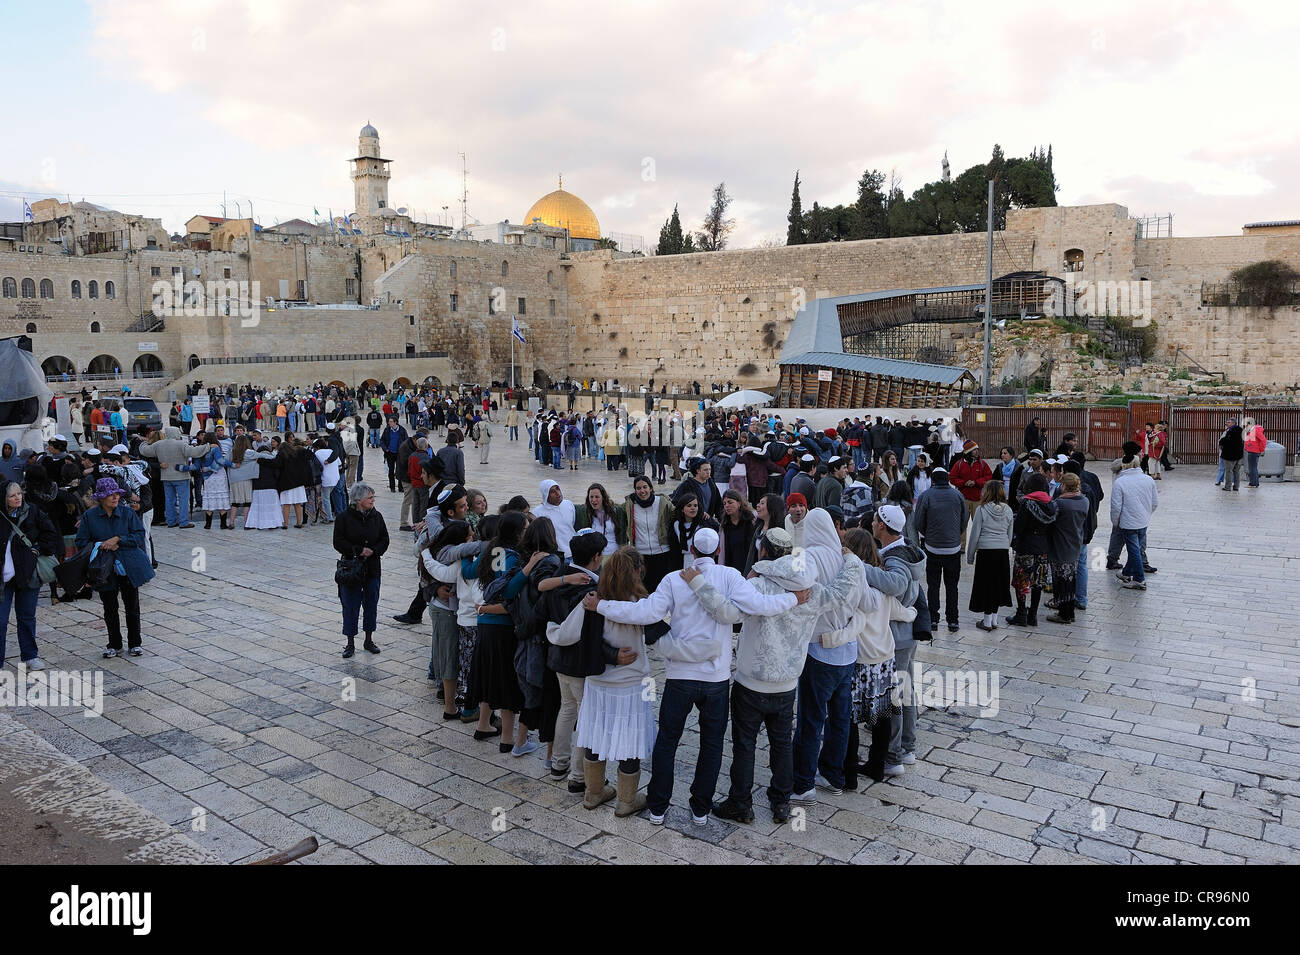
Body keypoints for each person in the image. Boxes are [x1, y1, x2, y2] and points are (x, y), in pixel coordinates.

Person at [585, 526, 804, 825]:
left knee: (668, 741)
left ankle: (659, 808)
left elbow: (645, 614)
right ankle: (700, 809)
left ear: (691, 548)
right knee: (711, 745)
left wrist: (601, 606)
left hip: (680, 677)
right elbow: (761, 606)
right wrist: (794, 599)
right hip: (715, 680)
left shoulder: (674, 579)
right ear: (717, 551)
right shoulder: (730, 577)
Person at [690, 526, 861, 822]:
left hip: (750, 681)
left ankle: (740, 802)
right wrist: (852, 559)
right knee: (782, 745)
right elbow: (843, 592)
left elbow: (727, 613)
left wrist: (699, 585)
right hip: (786, 683)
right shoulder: (811, 590)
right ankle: (781, 802)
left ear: (765, 552)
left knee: (745, 745)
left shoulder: (756, 586)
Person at [563, 543, 654, 815]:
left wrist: (610, 655)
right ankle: (626, 801)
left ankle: (593, 794)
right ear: (637, 571)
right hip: (632, 684)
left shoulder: (593, 600)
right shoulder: (640, 604)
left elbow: (581, 638)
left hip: (599, 682)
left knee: (593, 735)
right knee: (631, 740)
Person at [788, 508, 860, 800]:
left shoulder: (808, 558)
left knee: (810, 718)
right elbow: (865, 600)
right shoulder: (848, 558)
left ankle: (803, 783)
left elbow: (800, 599)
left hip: (818, 650)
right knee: (840, 718)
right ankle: (834, 774)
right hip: (847, 650)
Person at [864, 504, 926, 777]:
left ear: (882, 526)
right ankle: (907, 746)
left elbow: (897, 584)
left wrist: (861, 568)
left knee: (894, 696)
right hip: (906, 634)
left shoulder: (895, 558)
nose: (873, 523)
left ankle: (893, 755)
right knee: (905, 691)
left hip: (898, 636)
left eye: (875, 520)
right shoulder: (904, 549)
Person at [77, 478, 155, 657]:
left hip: (128, 565)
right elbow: (81, 541)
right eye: (110, 495)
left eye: (117, 494)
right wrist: (102, 544)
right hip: (104, 567)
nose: (115, 498)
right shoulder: (90, 516)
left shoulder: (127, 513)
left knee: (132, 606)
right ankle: (114, 643)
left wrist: (119, 540)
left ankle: (135, 642)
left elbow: (139, 535)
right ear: (101, 498)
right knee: (109, 607)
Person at [0, 482, 59, 670]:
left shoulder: (32, 511)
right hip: (3, 577)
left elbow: (50, 533)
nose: (17, 498)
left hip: (28, 573)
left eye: (19, 494)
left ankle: (30, 656)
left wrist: (38, 549)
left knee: (26, 617)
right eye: (12, 496)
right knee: (1, 621)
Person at [333, 482, 389, 657]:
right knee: (350, 605)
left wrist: (374, 550)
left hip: (372, 568)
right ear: (358, 500)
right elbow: (338, 542)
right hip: (351, 569)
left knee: (371, 603)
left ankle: (369, 639)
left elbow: (384, 539)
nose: (373, 501)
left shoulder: (377, 516)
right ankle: (350, 642)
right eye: (369, 498)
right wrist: (357, 550)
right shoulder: (344, 518)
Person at [913, 467, 967, 633]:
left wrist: (928, 535)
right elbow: (964, 521)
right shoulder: (958, 496)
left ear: (933, 480)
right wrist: (955, 535)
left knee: (933, 585)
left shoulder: (926, 496)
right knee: (952, 586)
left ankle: (933, 619)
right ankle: (953, 620)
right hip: (953, 549)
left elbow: (919, 521)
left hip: (933, 548)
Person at [1006, 472, 1056, 627]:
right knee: (1038, 582)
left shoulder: (1027, 503)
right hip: (1042, 548)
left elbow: (1019, 527)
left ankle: (1021, 614)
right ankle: (1033, 615)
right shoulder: (1052, 504)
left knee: (1022, 581)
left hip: (1026, 547)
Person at [966, 479, 1013, 632]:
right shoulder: (1008, 510)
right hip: (1001, 551)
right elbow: (1010, 534)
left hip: (986, 551)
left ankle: (986, 621)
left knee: (986, 585)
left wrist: (970, 555)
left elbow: (975, 535)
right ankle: (994, 619)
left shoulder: (982, 509)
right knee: (999, 585)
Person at [139, 426, 208, 527]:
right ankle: (183, 522)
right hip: (181, 476)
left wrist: (144, 441)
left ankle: (171, 521)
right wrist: (208, 446)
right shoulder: (181, 444)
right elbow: (195, 452)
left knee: (169, 500)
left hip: (166, 476)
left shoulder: (159, 444)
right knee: (183, 500)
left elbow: (145, 451)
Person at [1110, 453, 1158, 591]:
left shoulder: (1120, 482)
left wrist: (1115, 521)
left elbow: (1116, 506)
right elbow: (1155, 502)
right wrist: (1146, 514)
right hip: (1143, 520)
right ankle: (1126, 573)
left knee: (1134, 551)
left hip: (1128, 522)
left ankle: (1139, 579)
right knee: (1136, 549)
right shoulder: (1148, 479)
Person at [1046, 473, 1090, 624]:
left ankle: (1063, 613)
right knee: (1071, 578)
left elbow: (1050, 521)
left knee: (1060, 580)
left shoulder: (1060, 503)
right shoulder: (1084, 501)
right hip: (1075, 543)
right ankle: (1069, 611)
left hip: (1059, 545)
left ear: (1064, 486)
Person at [623, 475, 676, 591]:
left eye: (645, 487)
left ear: (651, 488)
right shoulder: (630, 505)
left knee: (663, 589)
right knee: (644, 590)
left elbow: (678, 513)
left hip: (662, 552)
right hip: (641, 555)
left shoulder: (662, 502)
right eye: (638, 488)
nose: (642, 491)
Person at [573, 482, 626, 556]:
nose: (593, 500)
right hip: (594, 558)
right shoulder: (585, 513)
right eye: (591, 497)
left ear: (603, 497)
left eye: (597, 497)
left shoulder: (616, 512)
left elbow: (624, 531)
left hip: (614, 556)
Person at [949, 440, 992, 520]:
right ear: (968, 451)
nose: (977, 451)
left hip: (978, 499)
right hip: (963, 499)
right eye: (974, 450)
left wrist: (976, 482)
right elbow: (952, 478)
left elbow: (989, 477)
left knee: (978, 525)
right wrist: (964, 483)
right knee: (962, 526)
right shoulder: (959, 464)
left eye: (977, 449)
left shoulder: (982, 464)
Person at [534, 479, 576, 560]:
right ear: (546, 495)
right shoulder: (538, 512)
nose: (558, 493)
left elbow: (571, 525)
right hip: (556, 556)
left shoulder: (569, 504)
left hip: (574, 553)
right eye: (552, 491)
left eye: (558, 488)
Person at [1218, 418, 1244, 492]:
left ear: (1233, 423)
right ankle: (1236, 486)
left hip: (1230, 455)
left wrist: (1221, 442)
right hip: (1239, 455)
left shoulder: (1231, 431)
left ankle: (1228, 487)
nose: (1227, 424)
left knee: (1228, 471)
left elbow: (1226, 441)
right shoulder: (1240, 430)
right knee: (1236, 471)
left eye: (1228, 422)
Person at [1243, 417, 1267, 488]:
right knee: (1253, 468)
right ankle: (1255, 483)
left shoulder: (1255, 430)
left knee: (1252, 468)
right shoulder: (1253, 430)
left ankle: (1253, 483)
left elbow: (1263, 440)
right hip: (1252, 450)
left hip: (1254, 451)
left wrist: (1261, 449)